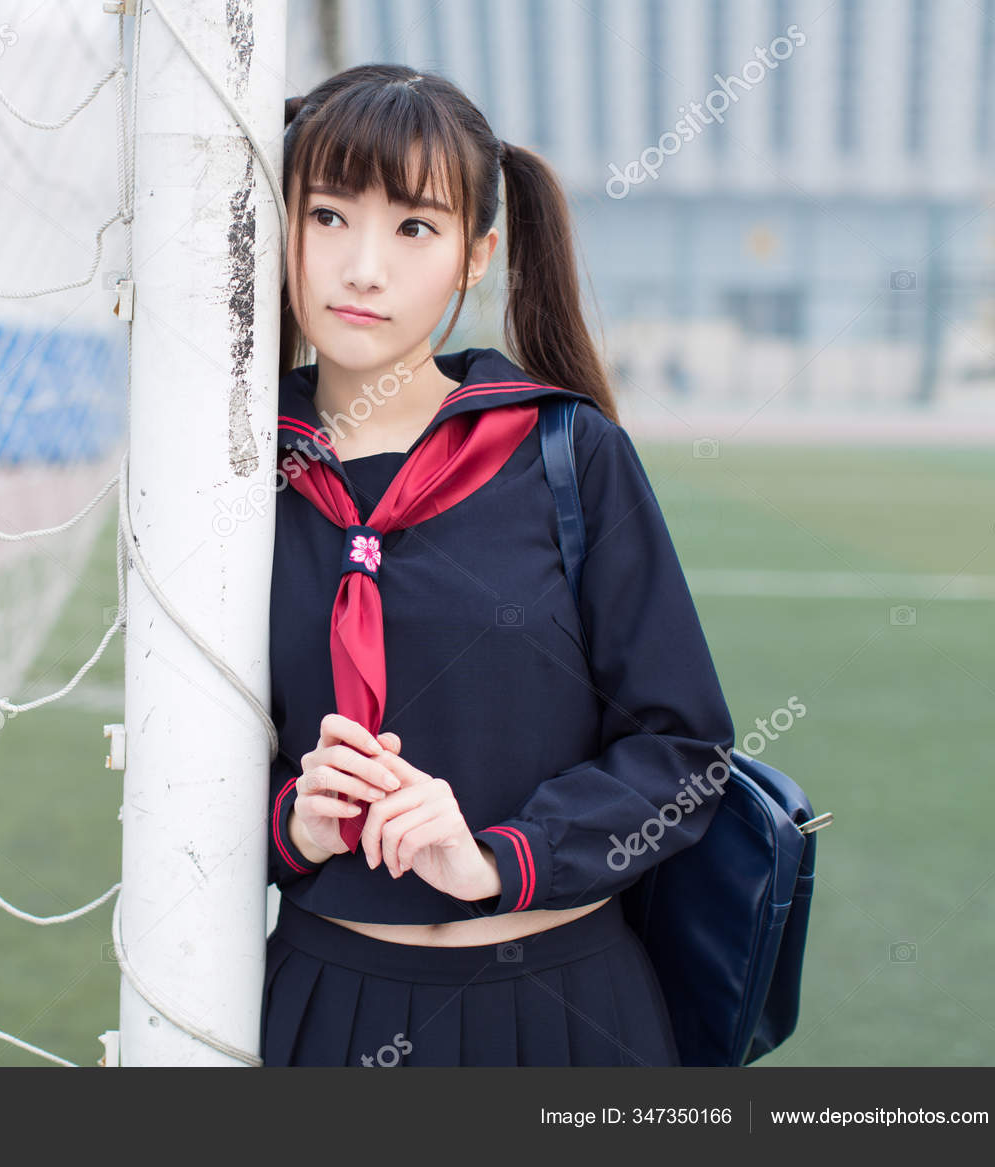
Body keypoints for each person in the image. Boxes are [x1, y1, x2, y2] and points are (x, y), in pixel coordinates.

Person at [262, 64, 736, 1067]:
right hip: (326, 1007)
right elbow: (190, 777)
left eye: (413, 229)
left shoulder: (566, 453)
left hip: (564, 1012)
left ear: (476, 256)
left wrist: (494, 855)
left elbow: (681, 753)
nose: (362, 269)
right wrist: (293, 825)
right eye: (329, 215)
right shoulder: (230, 482)